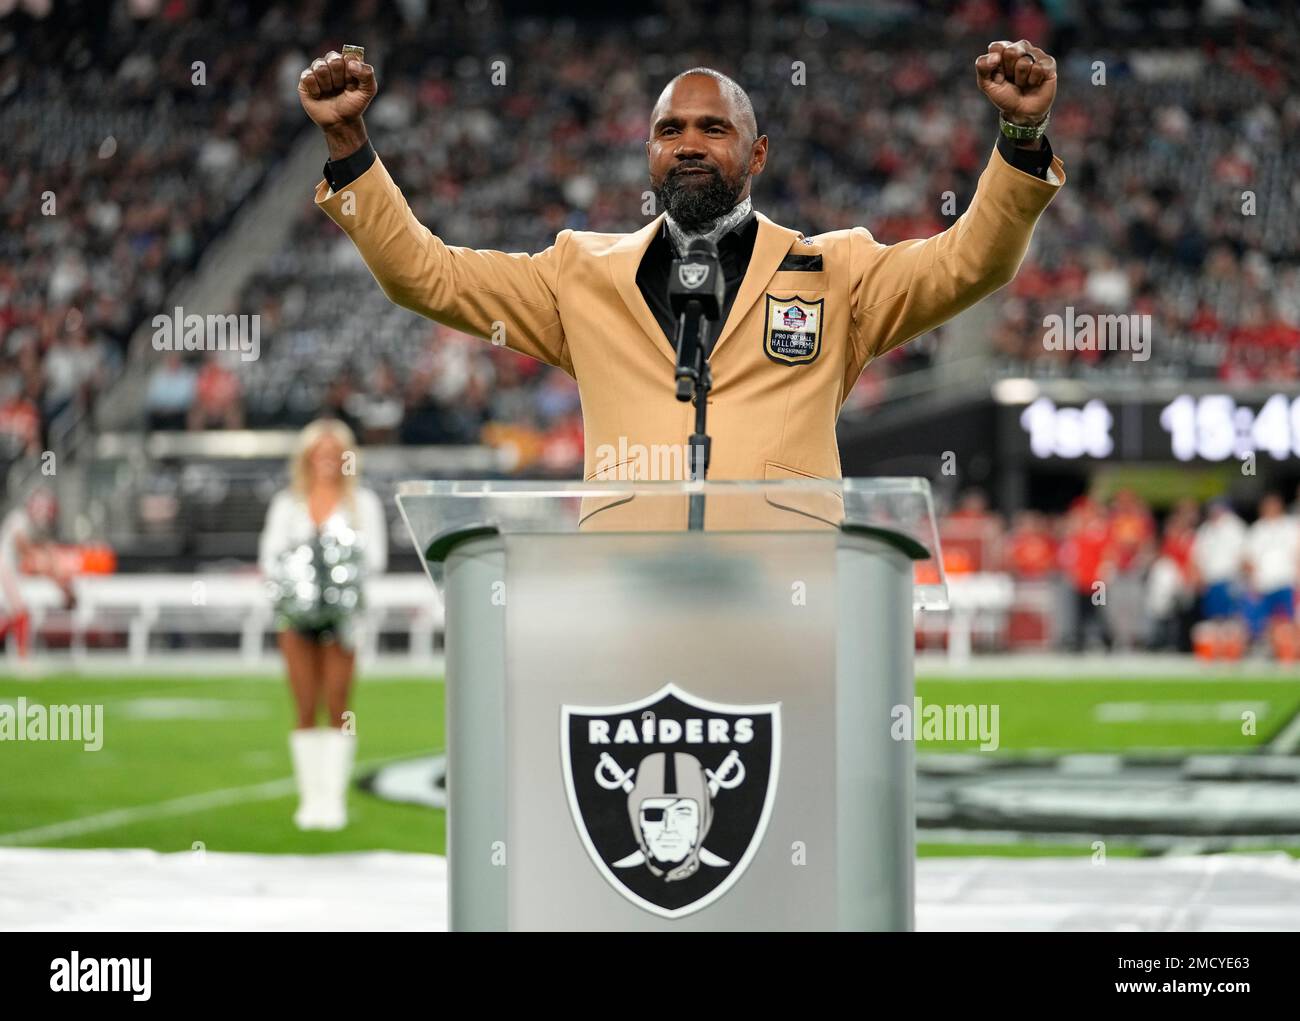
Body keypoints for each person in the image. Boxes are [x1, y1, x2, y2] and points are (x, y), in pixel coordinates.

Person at [297, 41, 1064, 501]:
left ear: (757, 154)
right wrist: (350, 149)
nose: (689, 143)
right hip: (632, 595)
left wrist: (1022, 133)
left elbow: (974, 261)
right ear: (650, 153)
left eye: (712, 128)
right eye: (670, 130)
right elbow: (423, 276)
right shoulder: (579, 274)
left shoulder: (839, 273)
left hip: (784, 602)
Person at [258, 418, 387, 830]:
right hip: (296, 615)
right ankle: (309, 800)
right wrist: (301, 579)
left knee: (338, 705)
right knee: (303, 706)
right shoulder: (287, 504)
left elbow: (377, 559)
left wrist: (335, 570)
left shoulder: (362, 503)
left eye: (335, 453)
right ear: (307, 458)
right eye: (320, 453)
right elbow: (269, 556)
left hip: (344, 616)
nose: (327, 460)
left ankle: (332, 801)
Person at [1242, 493, 1299, 650]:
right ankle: (1271, 649)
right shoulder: (1257, 530)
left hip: (1287, 580)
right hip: (1264, 583)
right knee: (1264, 621)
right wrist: (1253, 580)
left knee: (1290, 618)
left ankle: (1291, 650)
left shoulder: (1291, 526)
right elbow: (1247, 559)